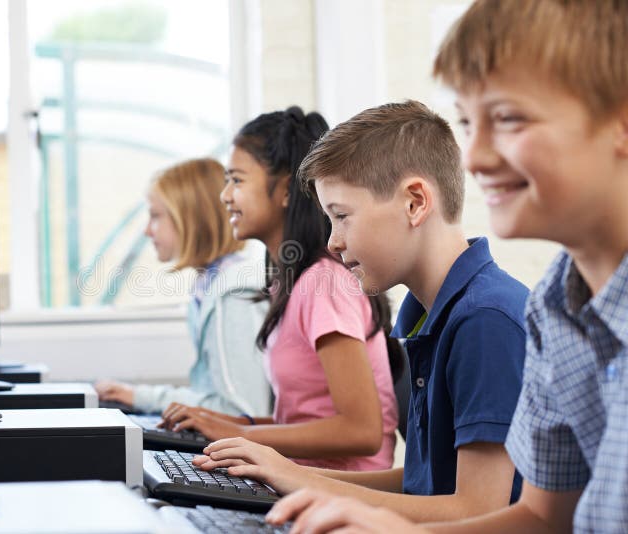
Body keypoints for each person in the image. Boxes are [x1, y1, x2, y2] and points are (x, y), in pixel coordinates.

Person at [264, 1, 628, 531]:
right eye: (465, 121)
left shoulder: (490, 317)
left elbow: (479, 504)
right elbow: (541, 520)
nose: (474, 156)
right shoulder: (556, 306)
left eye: (507, 119)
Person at [196, 100, 530, 524]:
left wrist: (302, 480)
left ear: (414, 203)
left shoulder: (485, 320)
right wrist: (290, 475)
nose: (333, 242)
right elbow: (421, 481)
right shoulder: (430, 314)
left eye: (341, 217)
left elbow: (478, 511)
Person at [161, 106, 402, 471]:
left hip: (341, 493)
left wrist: (240, 435)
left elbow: (363, 430)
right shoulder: (290, 283)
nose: (225, 195)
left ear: (287, 190)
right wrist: (232, 425)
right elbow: (304, 423)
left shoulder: (324, 283)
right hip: (301, 479)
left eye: (237, 180)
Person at [96, 158, 272, 417]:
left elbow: (241, 411)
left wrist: (141, 397)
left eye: (156, 216)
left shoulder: (231, 294)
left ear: (191, 219)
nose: (146, 230)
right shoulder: (209, 284)